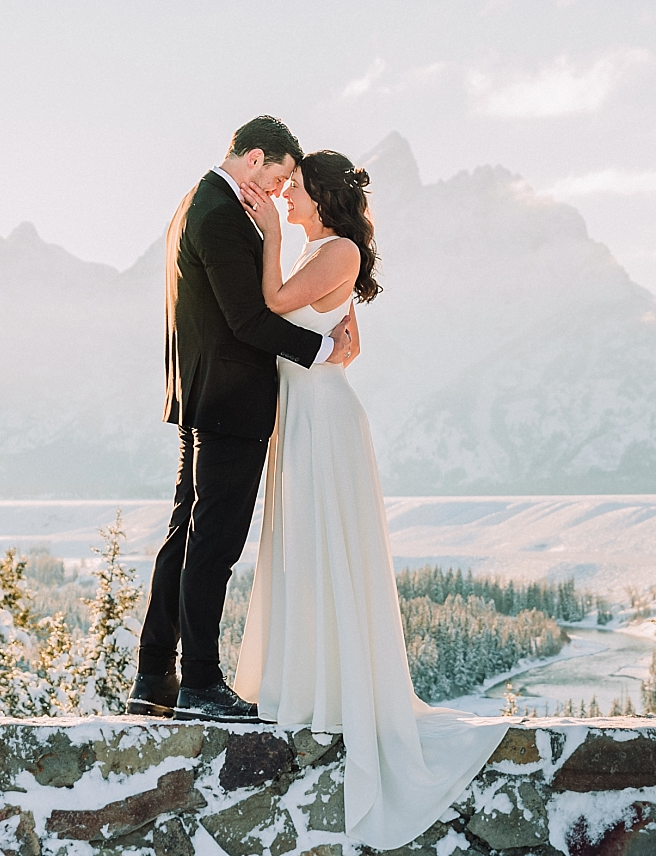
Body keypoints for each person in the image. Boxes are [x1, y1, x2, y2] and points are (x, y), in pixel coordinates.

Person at [233, 149, 509, 849]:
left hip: (323, 416)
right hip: (304, 410)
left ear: (322, 198)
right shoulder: (324, 250)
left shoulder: (338, 250)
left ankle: (339, 689)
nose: (286, 195)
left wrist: (270, 233)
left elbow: (274, 305)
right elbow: (333, 336)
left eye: (295, 188)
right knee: (306, 548)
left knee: (325, 545)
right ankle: (314, 681)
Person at [128, 116, 356, 722]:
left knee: (186, 535)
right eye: (280, 176)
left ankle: (155, 675)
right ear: (255, 158)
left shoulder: (197, 201)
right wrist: (324, 350)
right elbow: (247, 319)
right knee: (214, 545)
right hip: (230, 402)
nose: (280, 190)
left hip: (204, 395)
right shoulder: (220, 214)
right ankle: (200, 683)